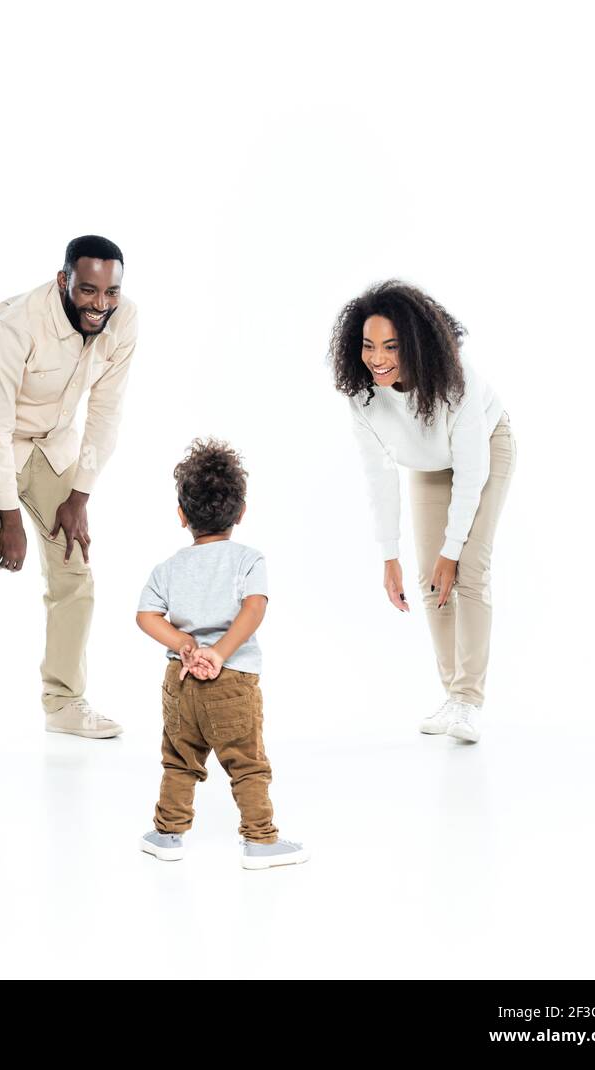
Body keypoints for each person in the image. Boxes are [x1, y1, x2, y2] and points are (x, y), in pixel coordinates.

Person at [0, 234, 138, 753]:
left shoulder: (124, 319)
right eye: (88, 290)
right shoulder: (14, 323)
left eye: (110, 292)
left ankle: (65, 702)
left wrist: (80, 496)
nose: (100, 304)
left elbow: (105, 412)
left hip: (53, 447)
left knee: (74, 567)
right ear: (64, 281)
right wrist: (8, 517)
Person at [329, 280, 516, 743]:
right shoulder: (364, 396)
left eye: (391, 346)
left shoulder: (458, 381)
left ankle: (469, 701)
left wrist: (452, 551)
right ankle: (453, 695)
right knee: (431, 580)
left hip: (485, 449)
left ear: (414, 344)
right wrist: (389, 555)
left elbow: (471, 474)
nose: (377, 358)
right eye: (369, 346)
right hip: (428, 463)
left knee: (467, 569)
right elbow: (380, 477)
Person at [135, 438, 310, 869]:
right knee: (247, 764)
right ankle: (260, 841)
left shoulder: (169, 566)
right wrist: (219, 652)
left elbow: (146, 615)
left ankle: (166, 834)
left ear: (182, 515)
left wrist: (185, 645)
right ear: (241, 511)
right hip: (230, 681)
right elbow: (255, 607)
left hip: (181, 681)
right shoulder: (247, 559)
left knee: (179, 759)